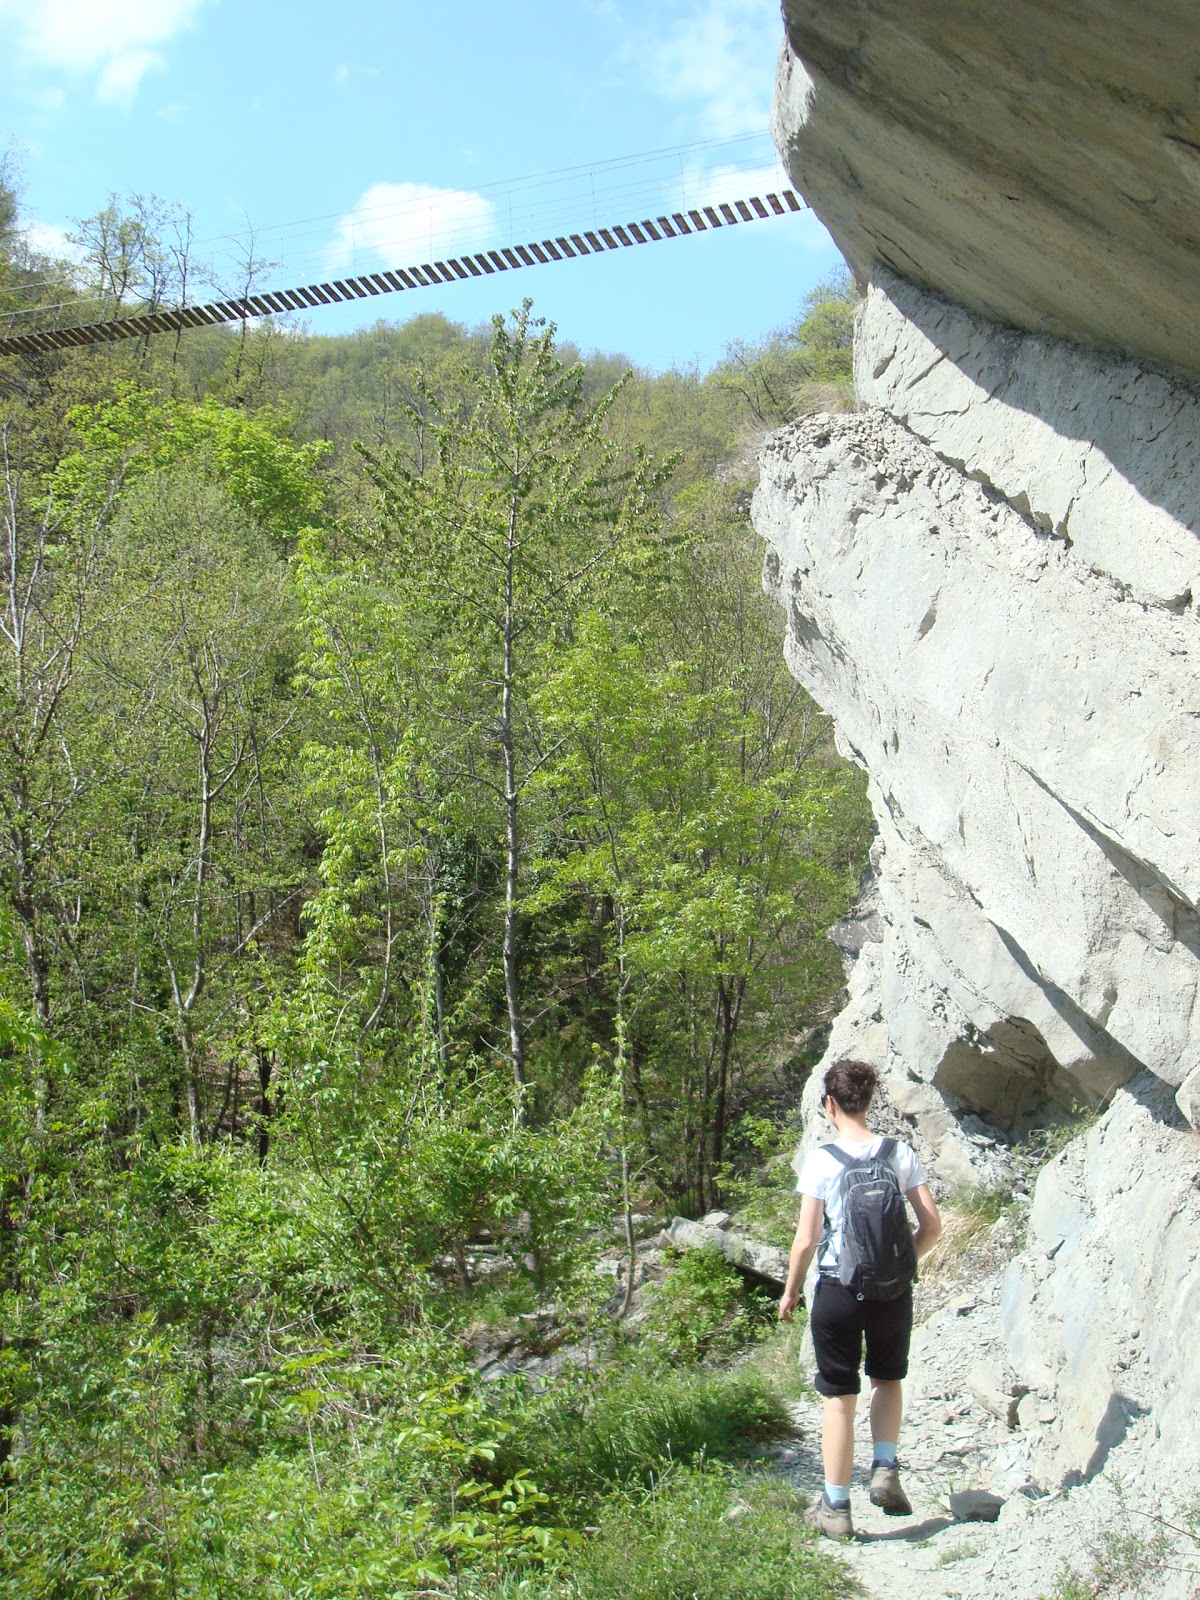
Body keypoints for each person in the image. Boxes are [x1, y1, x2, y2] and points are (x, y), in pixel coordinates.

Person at [779, 1058, 942, 1542]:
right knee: (887, 1379)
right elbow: (932, 1226)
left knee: (838, 1400)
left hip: (838, 1290)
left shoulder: (822, 1160)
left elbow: (806, 1240)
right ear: (868, 1102)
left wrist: (790, 1291)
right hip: (892, 1293)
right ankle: (886, 1467)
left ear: (830, 1105)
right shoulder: (899, 1153)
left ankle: (836, 1507)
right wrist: (901, 1265)